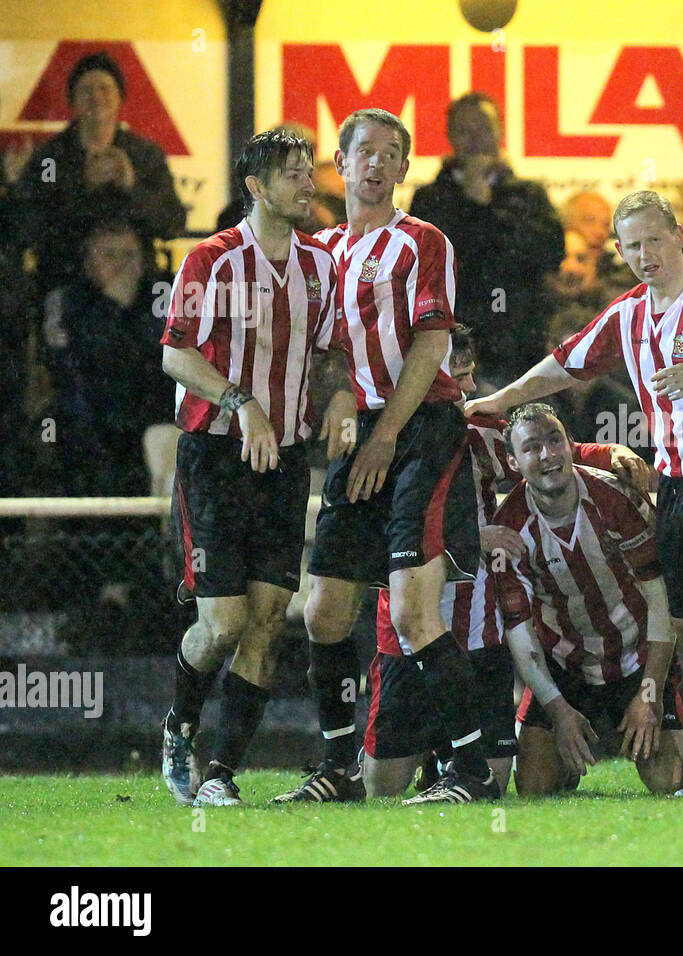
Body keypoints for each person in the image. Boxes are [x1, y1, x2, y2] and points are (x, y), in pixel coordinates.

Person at [468, 190, 683, 789]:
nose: (646, 254)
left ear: (679, 237)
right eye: (633, 245)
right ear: (620, 250)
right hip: (678, 482)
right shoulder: (629, 314)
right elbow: (566, 364)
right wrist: (502, 399)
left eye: (655, 240)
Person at [271, 108, 495, 806]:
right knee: (324, 612)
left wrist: (385, 434)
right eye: (362, 151)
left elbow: (432, 346)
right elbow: (325, 352)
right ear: (341, 163)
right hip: (363, 433)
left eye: (389, 153)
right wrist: (338, 406)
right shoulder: (318, 250)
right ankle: (338, 768)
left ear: (403, 169)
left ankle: (470, 773)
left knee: (411, 614)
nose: (374, 163)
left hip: (419, 430)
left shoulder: (421, 241)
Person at [361, 327, 651, 798]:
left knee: (491, 785)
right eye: (460, 376)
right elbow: (367, 535)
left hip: (478, 621)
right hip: (407, 625)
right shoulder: (382, 437)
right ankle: (417, 756)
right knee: (381, 791)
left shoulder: (475, 427)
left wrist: (611, 451)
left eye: (472, 374)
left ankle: (456, 763)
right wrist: (470, 536)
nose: (471, 389)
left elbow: (547, 451)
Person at [158, 128, 337, 807]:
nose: (306, 183)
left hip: (285, 461)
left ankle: (219, 774)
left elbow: (326, 356)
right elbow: (175, 355)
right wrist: (243, 402)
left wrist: (341, 406)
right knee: (223, 624)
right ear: (257, 187)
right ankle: (179, 725)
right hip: (216, 457)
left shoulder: (319, 266)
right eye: (292, 174)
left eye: (308, 170)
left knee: (267, 620)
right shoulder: (212, 260)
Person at [493, 403, 683, 795]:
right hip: (566, 662)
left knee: (670, 785)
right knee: (534, 789)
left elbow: (659, 600)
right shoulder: (509, 527)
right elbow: (519, 632)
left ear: (571, 444)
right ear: (515, 463)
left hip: (636, 656)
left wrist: (649, 694)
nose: (547, 455)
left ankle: (679, 728)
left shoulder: (616, 497)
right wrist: (557, 710)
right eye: (532, 447)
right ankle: (565, 761)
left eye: (555, 441)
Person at [409, 92, 565, 387]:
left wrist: (487, 206)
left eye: (483, 128)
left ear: (501, 132)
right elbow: (436, 263)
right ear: (450, 137)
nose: (475, 139)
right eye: (464, 131)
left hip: (521, 343)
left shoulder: (528, 195)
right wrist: (473, 204)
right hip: (458, 344)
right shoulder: (431, 200)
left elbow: (550, 253)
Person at [11, 51, 186, 296]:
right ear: (72, 100)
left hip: (136, 296)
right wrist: (81, 186)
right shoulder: (49, 157)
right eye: (86, 89)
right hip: (66, 288)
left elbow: (172, 224)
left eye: (104, 88)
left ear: (119, 98)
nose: (96, 97)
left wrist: (131, 186)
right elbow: (28, 230)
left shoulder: (145, 155)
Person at [42, 219, 172, 497]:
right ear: (88, 262)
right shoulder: (67, 301)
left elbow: (161, 365)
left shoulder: (162, 296)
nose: (122, 265)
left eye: (129, 255)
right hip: (89, 428)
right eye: (110, 255)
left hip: (150, 422)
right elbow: (76, 365)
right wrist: (112, 308)